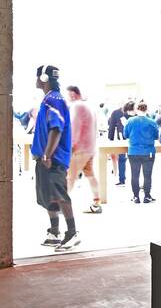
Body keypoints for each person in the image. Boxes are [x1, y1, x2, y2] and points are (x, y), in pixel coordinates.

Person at [31, 64, 80, 252]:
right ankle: (55, 231)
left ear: (43, 79)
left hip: (53, 158)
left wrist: (47, 154)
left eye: (37, 77)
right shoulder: (49, 99)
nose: (35, 80)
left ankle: (72, 233)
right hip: (46, 157)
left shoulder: (54, 100)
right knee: (47, 195)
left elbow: (56, 128)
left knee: (59, 195)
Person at [65, 85, 102, 214]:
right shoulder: (89, 106)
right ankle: (97, 203)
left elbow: (74, 127)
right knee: (90, 175)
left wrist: (71, 146)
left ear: (73, 94)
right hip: (90, 147)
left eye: (68, 95)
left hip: (80, 148)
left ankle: (61, 205)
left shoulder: (77, 106)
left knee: (71, 177)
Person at [124, 101, 160, 204]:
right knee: (147, 175)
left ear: (137, 110)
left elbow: (125, 135)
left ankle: (136, 197)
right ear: (146, 110)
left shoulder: (130, 121)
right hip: (148, 151)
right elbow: (156, 136)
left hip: (133, 151)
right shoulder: (152, 122)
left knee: (134, 175)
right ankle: (147, 196)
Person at [108, 100, 134, 185]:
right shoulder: (134, 112)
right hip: (133, 138)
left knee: (122, 159)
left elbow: (111, 127)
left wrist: (110, 139)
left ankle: (122, 179)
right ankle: (135, 180)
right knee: (135, 159)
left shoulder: (115, 112)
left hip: (121, 138)